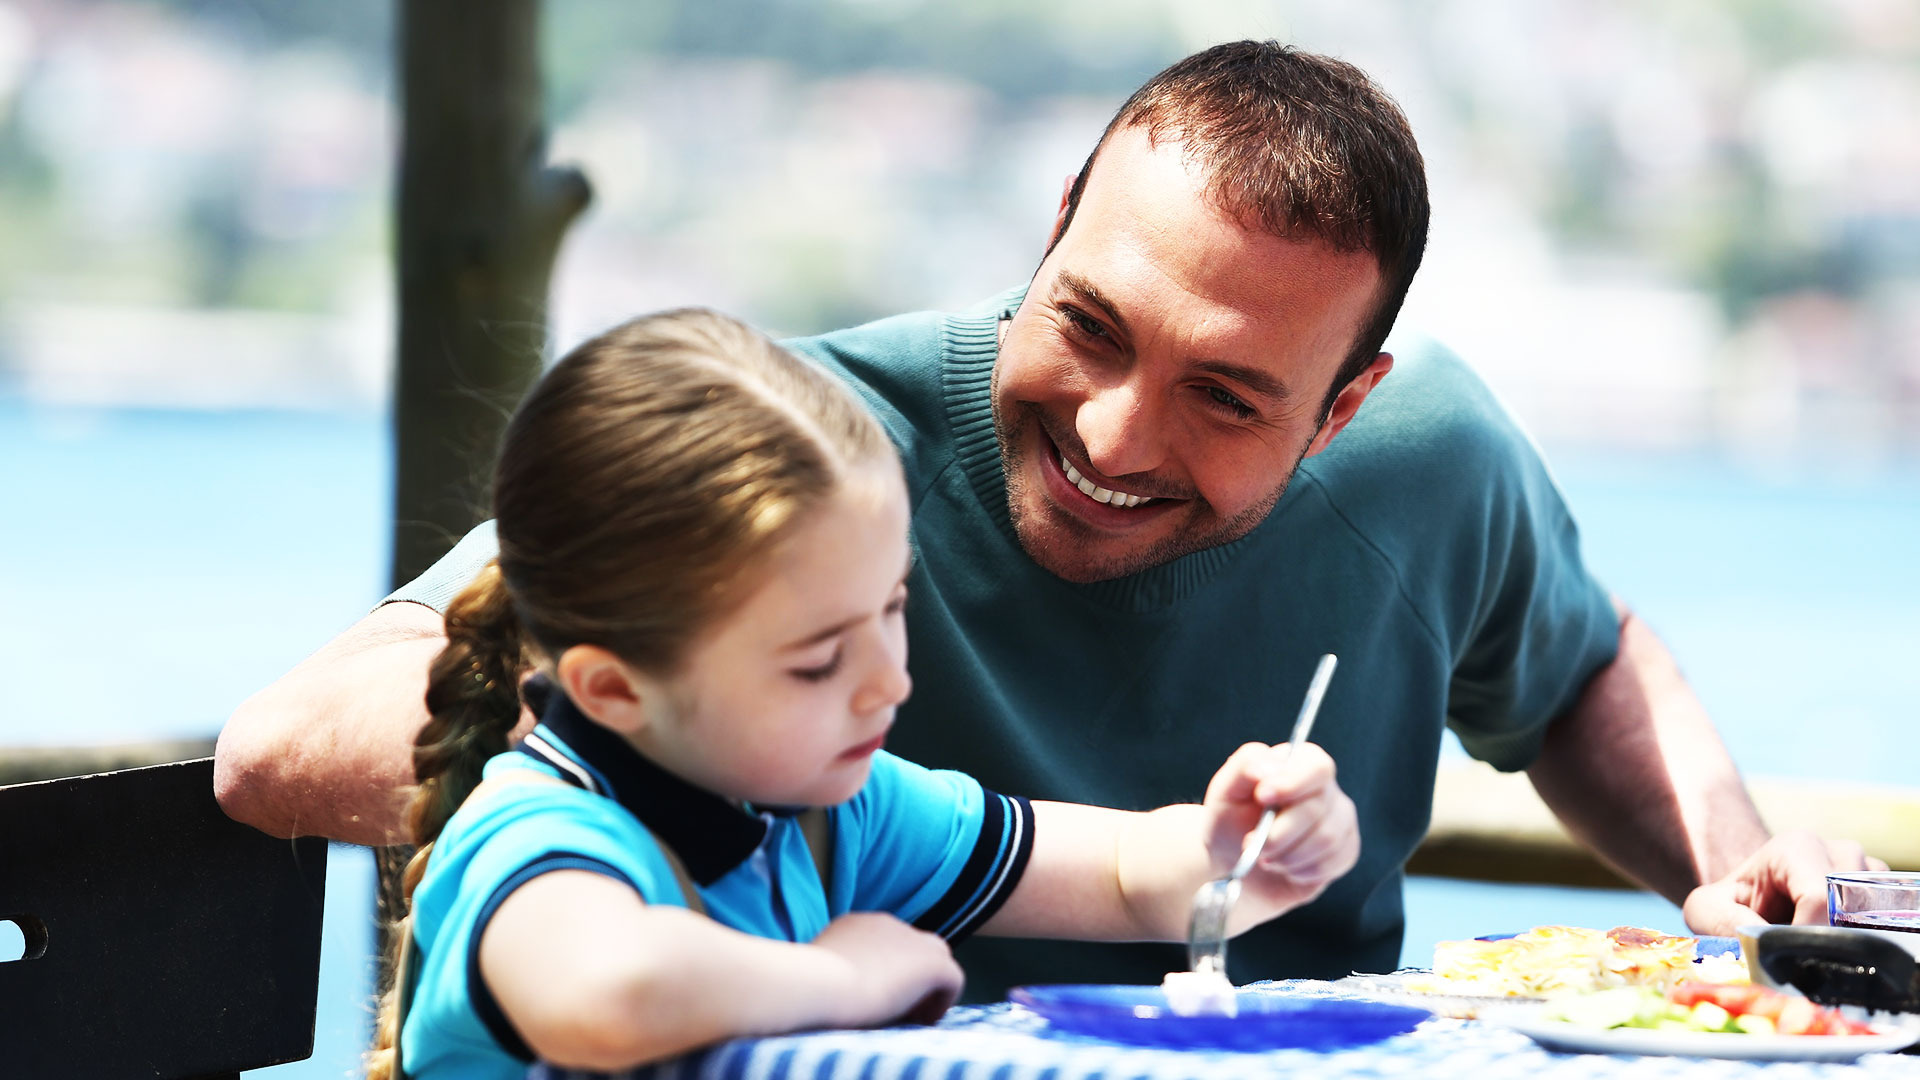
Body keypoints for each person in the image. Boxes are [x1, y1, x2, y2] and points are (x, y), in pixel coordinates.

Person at [217, 41, 1876, 999]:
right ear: (1057, 218)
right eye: (1089, 323)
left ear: (1344, 408)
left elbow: (1577, 664)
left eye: (1227, 398)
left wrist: (1730, 869)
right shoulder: (795, 449)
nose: (1108, 433)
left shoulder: (1434, 460)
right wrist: (728, 759)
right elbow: (290, 738)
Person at [361, 308, 1358, 1079]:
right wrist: (847, 975)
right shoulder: (541, 839)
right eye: (814, 662)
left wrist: (1250, 855)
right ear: (614, 690)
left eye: (891, 610)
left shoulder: (835, 812)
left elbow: (1125, 878)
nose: (890, 679)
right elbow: (610, 990)